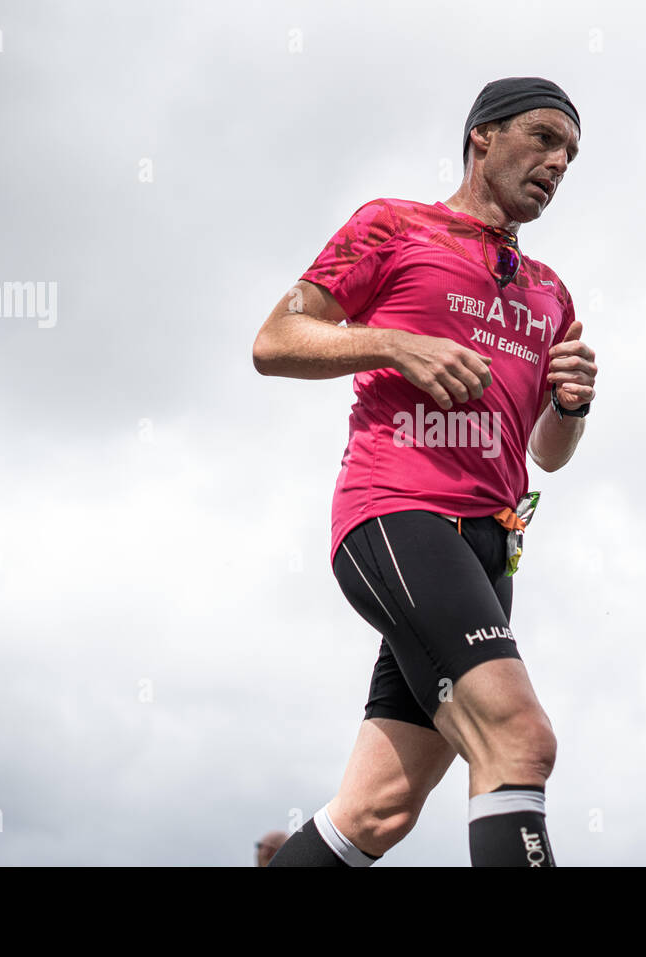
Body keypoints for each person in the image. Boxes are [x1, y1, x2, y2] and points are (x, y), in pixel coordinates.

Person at [253, 77, 596, 866]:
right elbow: (276, 340)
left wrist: (570, 404)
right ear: (483, 135)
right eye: (544, 138)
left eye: (571, 153)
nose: (559, 161)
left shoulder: (550, 292)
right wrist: (391, 342)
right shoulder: (394, 225)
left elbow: (547, 453)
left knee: (379, 810)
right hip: (399, 516)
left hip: (490, 551)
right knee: (519, 736)